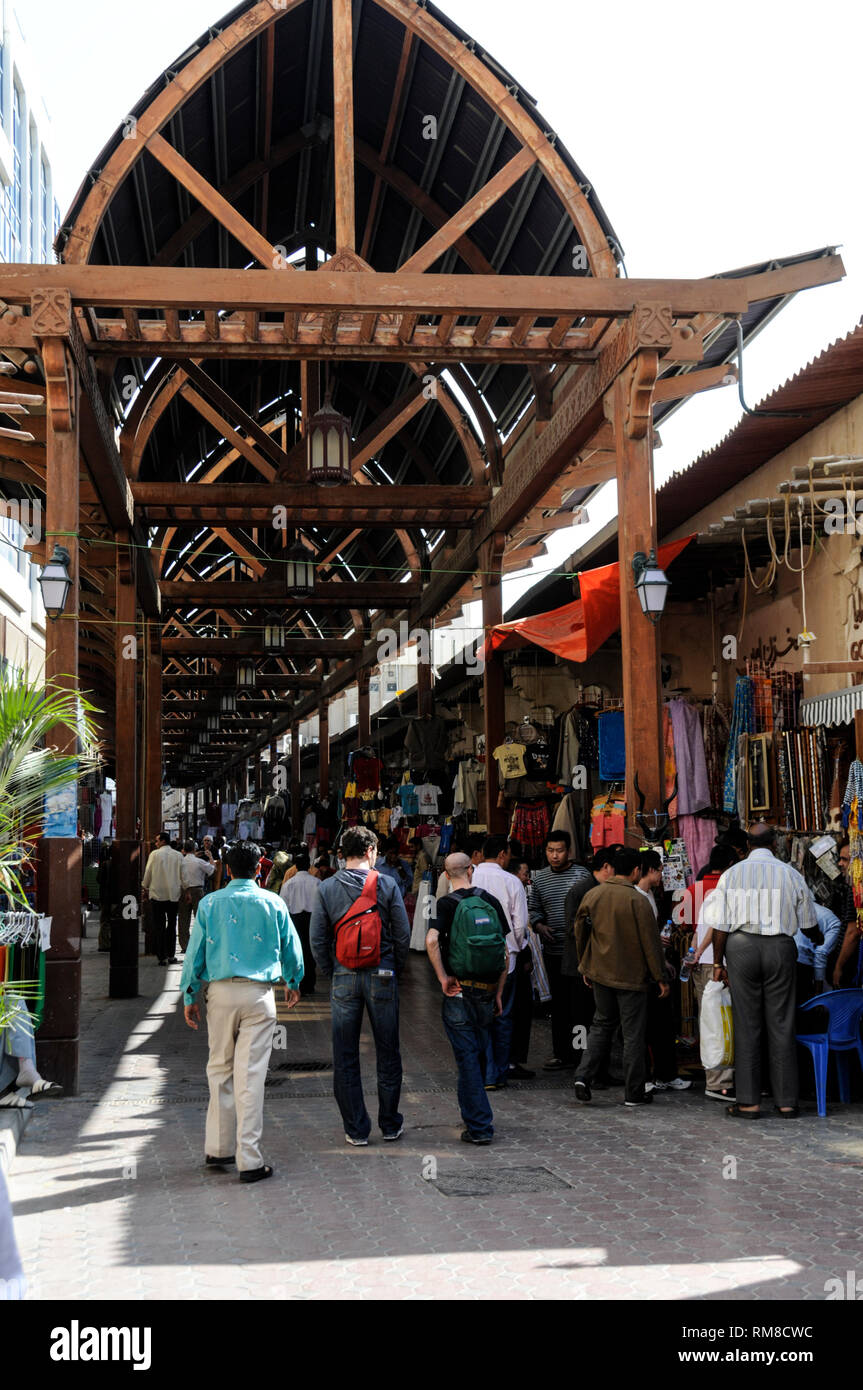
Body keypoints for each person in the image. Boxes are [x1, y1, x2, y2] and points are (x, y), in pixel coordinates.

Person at [179, 841, 303, 1183]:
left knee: (219, 1067)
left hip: (219, 993)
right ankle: (249, 1159)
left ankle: (218, 1149)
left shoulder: (209, 903)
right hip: (259, 995)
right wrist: (294, 981)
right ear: (260, 869)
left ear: (228, 870)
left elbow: (195, 953)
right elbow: (292, 947)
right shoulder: (273, 902)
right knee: (251, 1076)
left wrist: (190, 994)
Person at [702, 821, 817, 1119]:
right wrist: (820, 939)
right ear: (775, 844)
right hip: (780, 947)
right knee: (782, 1024)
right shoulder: (791, 874)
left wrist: (717, 963)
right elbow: (808, 925)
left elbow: (721, 927)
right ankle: (787, 1102)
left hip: (741, 949)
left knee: (747, 1024)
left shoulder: (731, 875)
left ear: (747, 846)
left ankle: (749, 1103)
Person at [310, 825, 411, 1146]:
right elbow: (402, 934)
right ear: (371, 852)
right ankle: (390, 1123)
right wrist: (395, 966)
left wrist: (334, 970)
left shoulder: (326, 888)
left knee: (345, 1053)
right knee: (388, 1051)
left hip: (344, 977)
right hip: (382, 974)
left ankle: (356, 1128)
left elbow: (317, 939)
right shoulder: (388, 884)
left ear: (342, 854)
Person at [573, 847, 668, 1107]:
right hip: (631, 976)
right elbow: (651, 943)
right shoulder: (637, 900)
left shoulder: (594, 894)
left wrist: (585, 963)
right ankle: (633, 1092)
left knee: (601, 1025)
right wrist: (660, 976)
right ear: (636, 870)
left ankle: (583, 1076)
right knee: (633, 1034)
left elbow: (579, 930)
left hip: (600, 971)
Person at [426, 853, 509, 1144]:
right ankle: (473, 1117)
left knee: (467, 1059)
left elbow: (431, 940)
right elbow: (504, 953)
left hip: (459, 993)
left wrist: (442, 978)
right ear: (471, 870)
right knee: (476, 1055)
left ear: (446, 876)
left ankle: (480, 1127)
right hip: (486, 992)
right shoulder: (491, 901)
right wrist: (498, 992)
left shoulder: (446, 904)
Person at [472, 834, 533, 1084]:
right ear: (501, 855)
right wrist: (517, 947)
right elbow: (520, 925)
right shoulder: (511, 881)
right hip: (506, 958)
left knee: (478, 1014)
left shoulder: (470, 877)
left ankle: (482, 1071)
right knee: (504, 1014)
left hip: (473, 957)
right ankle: (499, 1070)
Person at [530, 831, 591, 1071]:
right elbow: (533, 908)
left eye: (560, 850)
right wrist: (539, 925)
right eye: (550, 851)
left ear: (569, 851)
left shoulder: (582, 875)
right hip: (553, 952)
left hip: (579, 954)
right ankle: (561, 1053)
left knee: (581, 1007)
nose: (555, 856)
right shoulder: (540, 879)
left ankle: (582, 1055)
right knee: (559, 1006)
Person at [684, 843, 738, 1101]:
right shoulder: (723, 893)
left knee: (710, 1022)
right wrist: (708, 957)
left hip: (703, 965)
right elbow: (714, 929)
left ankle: (714, 1077)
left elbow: (697, 931)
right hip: (715, 967)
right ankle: (719, 1082)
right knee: (719, 1023)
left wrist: (693, 955)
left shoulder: (707, 894)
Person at [636, 850, 691, 1093]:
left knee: (662, 1026)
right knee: (647, 1026)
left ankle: (664, 1074)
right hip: (645, 972)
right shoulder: (637, 897)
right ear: (650, 870)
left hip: (656, 966)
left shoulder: (649, 895)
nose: (662, 875)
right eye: (660, 870)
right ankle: (648, 1076)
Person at [562, 848, 616, 1073]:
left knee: (599, 1019)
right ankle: (582, 1066)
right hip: (579, 965)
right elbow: (573, 928)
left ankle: (598, 1068)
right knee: (582, 1019)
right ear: (605, 867)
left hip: (597, 966)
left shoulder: (604, 889)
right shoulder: (582, 890)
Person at [280, 852, 321, 996]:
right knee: (310, 953)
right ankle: (309, 985)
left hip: (295, 920)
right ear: (309, 865)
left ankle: (296, 982)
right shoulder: (316, 882)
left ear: (295, 866)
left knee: (296, 952)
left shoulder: (288, 884)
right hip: (312, 920)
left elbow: (283, 905)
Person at [141, 832, 183, 965]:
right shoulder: (178, 855)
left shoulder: (154, 854)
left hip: (157, 895)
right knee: (172, 925)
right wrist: (186, 889)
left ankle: (161, 957)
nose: (155, 843)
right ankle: (171, 955)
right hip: (173, 895)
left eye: (157, 841)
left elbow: (148, 872)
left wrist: (145, 886)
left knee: (159, 926)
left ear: (163, 841)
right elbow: (183, 875)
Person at [795, 901, 842, 995]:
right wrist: (818, 994)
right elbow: (821, 954)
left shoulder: (809, 905)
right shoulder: (835, 925)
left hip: (785, 954)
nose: (812, 941)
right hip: (801, 963)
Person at [832, 840, 861, 989]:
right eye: (840, 859)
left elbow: (853, 932)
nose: (840, 864)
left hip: (852, 964)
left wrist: (839, 966)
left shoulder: (856, 888)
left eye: (845, 859)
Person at [179, 839, 216, 954]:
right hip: (197, 890)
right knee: (199, 918)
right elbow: (212, 870)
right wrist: (210, 857)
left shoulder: (181, 861)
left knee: (183, 919)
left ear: (184, 850)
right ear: (195, 849)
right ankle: (200, 943)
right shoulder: (199, 861)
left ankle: (185, 945)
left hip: (183, 891)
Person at [436, 835, 484, 900]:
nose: (485, 857)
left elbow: (439, 901)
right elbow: (440, 899)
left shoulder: (447, 873)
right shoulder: (448, 873)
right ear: (476, 853)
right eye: (484, 853)